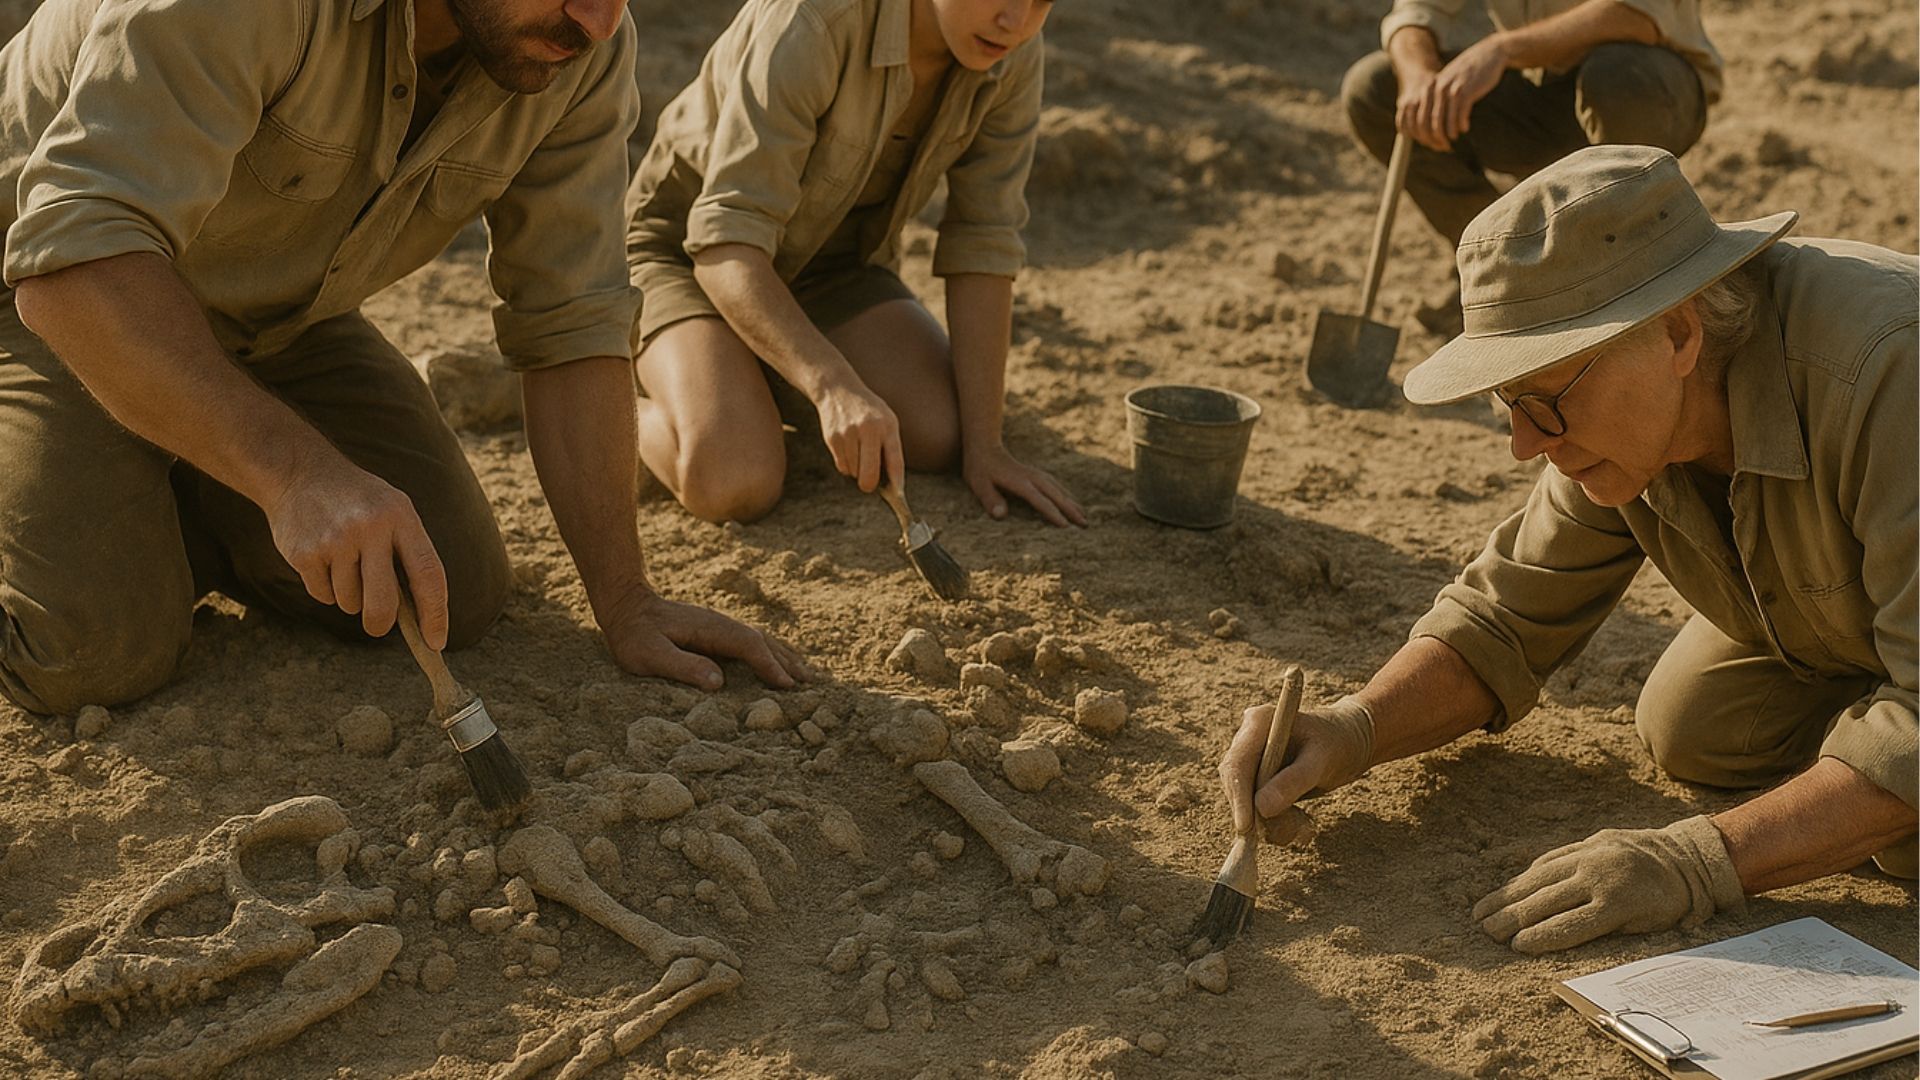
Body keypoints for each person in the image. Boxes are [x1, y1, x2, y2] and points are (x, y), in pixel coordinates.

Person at [0, 0, 810, 717]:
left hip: (275, 322)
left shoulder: (579, 41)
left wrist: (627, 599)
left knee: (439, 590)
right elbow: (75, 266)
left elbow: (572, 322)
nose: (599, 20)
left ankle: (157, 472)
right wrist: (294, 474)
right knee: (89, 650)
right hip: (49, 296)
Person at [1219, 146, 1917, 955]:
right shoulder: (1625, 413)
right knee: (1697, 724)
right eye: (1507, 402)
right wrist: (1356, 726)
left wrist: (1698, 860)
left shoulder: (1887, 371)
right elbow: (1505, 616)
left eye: (1544, 397)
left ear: (1679, 333)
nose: (1522, 443)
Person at [623, 0, 1085, 529]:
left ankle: (742, 377)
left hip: (832, 267)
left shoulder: (1010, 48)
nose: (1017, 22)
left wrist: (988, 446)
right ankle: (608, 394)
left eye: (1041, 1)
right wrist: (831, 385)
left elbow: (983, 239)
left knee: (942, 435)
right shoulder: (814, 18)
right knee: (734, 479)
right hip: (684, 254)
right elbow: (724, 242)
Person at [1340, 0, 1721, 335]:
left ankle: (1629, 280)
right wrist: (1417, 76)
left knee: (1617, 76)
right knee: (1372, 90)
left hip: (1651, 87)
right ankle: (1509, 274)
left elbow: (1636, 14)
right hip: (1541, 91)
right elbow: (1415, 14)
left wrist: (1502, 49)